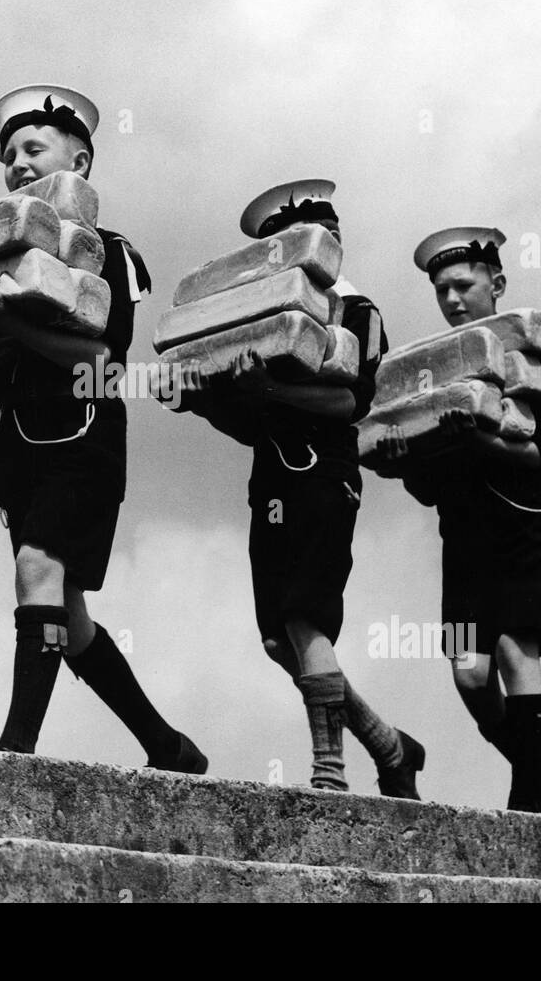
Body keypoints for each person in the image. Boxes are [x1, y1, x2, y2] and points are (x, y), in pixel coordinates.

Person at [0, 84, 206, 772]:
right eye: (8, 155)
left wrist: (13, 320)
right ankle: (168, 745)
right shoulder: (3, 260)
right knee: (67, 620)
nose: (16, 164)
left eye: (32, 148)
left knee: (36, 570)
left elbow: (101, 360)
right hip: (20, 450)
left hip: (84, 442)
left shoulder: (110, 250)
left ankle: (16, 754)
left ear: (80, 161)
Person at [174, 180, 423, 797]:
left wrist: (271, 392)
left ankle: (329, 773)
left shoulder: (355, 309)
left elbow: (349, 399)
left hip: (326, 472)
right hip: (274, 475)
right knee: (277, 638)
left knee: (306, 618)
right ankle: (391, 748)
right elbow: (252, 422)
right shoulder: (265, 319)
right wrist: (200, 401)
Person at [376, 227, 541, 815]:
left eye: (462, 286)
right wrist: (401, 464)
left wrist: (479, 441)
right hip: (465, 530)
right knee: (470, 675)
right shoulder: (436, 371)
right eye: (441, 290)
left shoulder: (529, 356)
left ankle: (530, 799)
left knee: (519, 653)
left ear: (496, 283)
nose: (451, 301)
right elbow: (427, 486)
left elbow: (539, 452)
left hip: (523, 520)